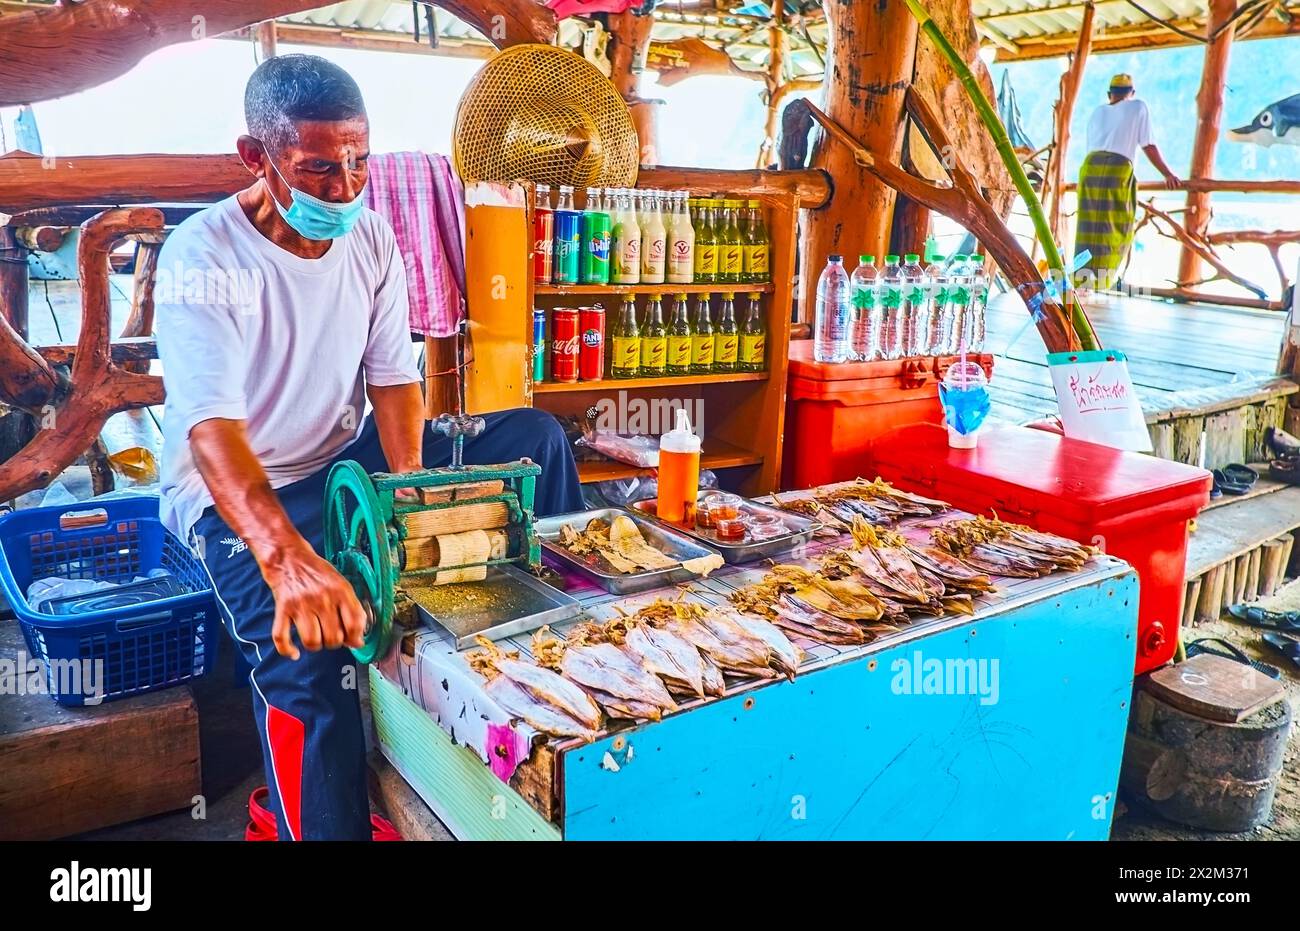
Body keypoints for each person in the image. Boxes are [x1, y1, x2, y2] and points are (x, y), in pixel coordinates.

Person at [154, 54, 583, 841]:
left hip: (343, 465)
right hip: (236, 499)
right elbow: (212, 432)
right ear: (257, 156)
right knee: (310, 667)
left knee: (535, 438)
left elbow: (394, 382)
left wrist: (412, 489)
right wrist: (286, 560)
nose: (346, 188)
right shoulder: (203, 257)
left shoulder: (372, 236)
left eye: (359, 162)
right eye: (319, 170)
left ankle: (557, 645)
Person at [1075, 73, 1181, 292]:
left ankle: (1081, 283)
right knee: (1115, 226)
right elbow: (1148, 144)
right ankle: (1100, 282)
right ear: (1131, 94)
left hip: (1089, 168)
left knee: (1088, 227)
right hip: (1116, 168)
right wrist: (1168, 174)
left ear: (1109, 94)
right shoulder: (1137, 107)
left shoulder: (1098, 112)